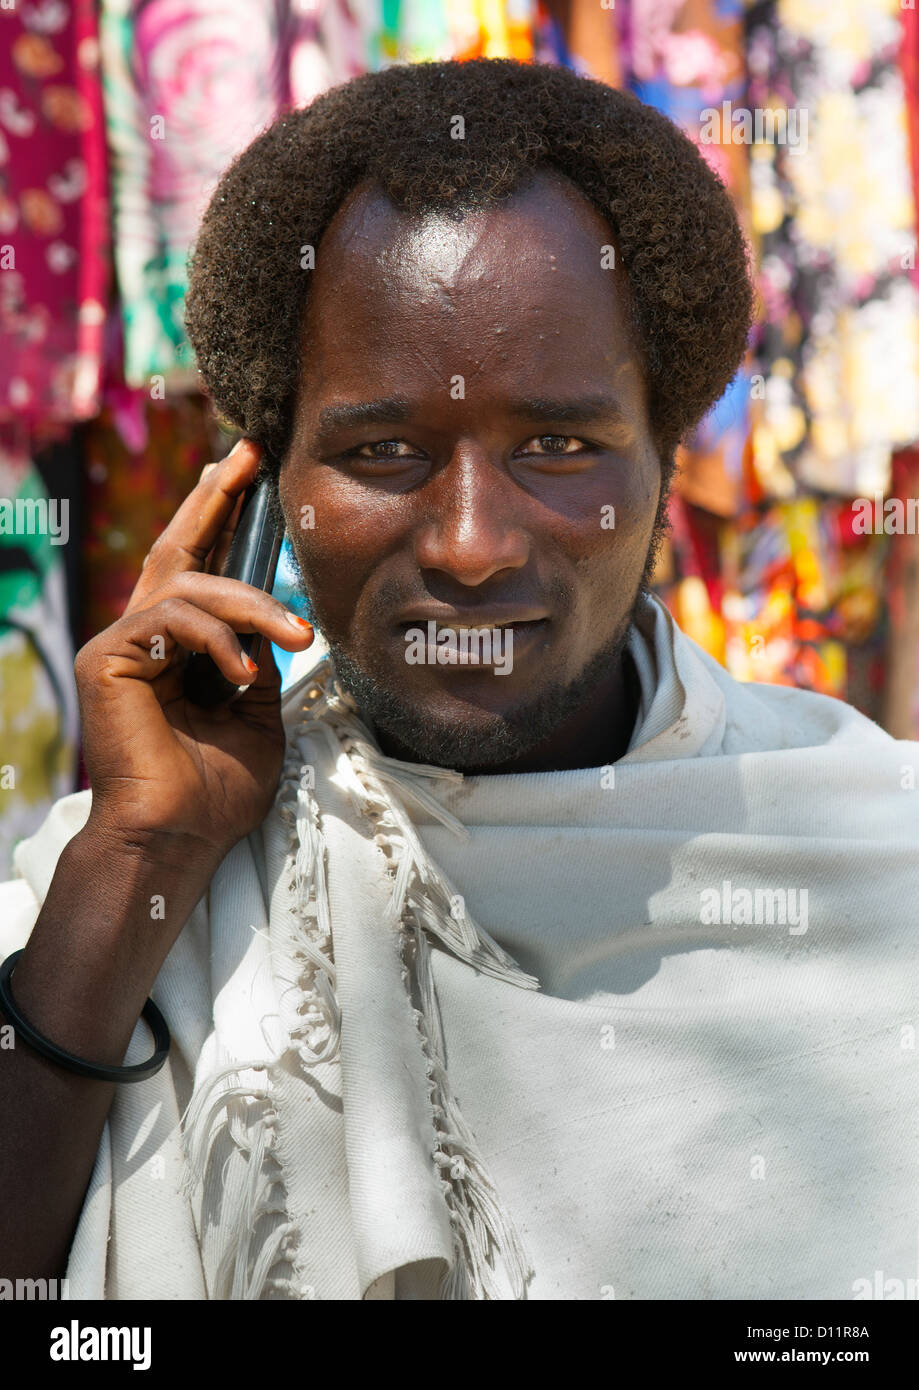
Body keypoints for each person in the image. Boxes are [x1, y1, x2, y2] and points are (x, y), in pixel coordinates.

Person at [1, 57, 916, 1302]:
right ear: (265, 491)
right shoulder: (129, 860)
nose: (471, 544)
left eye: (558, 445)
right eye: (382, 450)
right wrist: (137, 863)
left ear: (665, 456)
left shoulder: (879, 850)